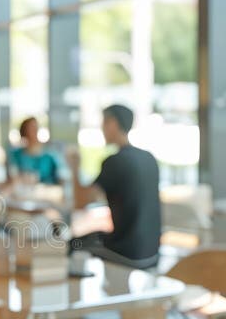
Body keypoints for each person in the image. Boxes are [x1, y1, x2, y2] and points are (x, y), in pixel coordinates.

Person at [67, 104, 161, 269]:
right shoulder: (149, 158)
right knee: (95, 236)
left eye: (103, 122)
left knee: (72, 245)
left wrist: (75, 167)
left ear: (112, 123)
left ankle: (75, 293)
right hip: (152, 253)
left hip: (127, 252)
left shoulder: (115, 161)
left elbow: (80, 203)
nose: (102, 128)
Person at [9, 117, 61, 184]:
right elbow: (13, 176)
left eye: (36, 128)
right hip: (25, 191)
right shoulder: (16, 155)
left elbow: (60, 176)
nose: (34, 131)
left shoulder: (50, 154)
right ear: (24, 132)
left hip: (48, 191)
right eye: (31, 129)